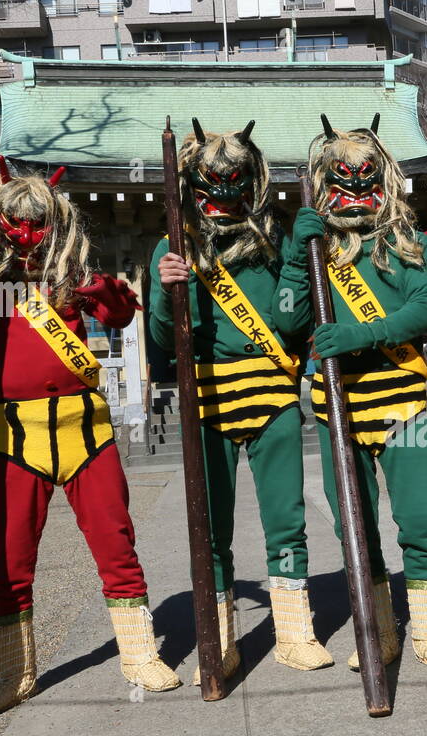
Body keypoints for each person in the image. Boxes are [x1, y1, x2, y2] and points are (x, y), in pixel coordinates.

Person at [0, 108, 179, 715]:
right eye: (16, 221)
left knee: (116, 542)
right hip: (12, 436)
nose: (26, 232)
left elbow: (122, 315)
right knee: (6, 555)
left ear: (55, 224)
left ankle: (138, 652)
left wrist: (102, 291)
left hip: (86, 429)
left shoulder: (70, 276)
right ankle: (12, 672)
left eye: (38, 222)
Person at [150, 119, 332, 677]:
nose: (222, 197)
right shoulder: (172, 244)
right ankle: (219, 632)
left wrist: (300, 255)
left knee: (286, 520)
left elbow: (292, 314)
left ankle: (296, 630)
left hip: (272, 395)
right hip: (207, 397)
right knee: (210, 524)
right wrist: (166, 287)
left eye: (234, 183)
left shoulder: (273, 238)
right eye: (210, 185)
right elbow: (162, 340)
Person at [292, 114, 427, 673]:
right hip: (337, 408)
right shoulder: (313, 246)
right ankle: (378, 628)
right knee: (355, 523)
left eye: (365, 178)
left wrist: (362, 334)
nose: (354, 190)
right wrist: (300, 259)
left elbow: (424, 309)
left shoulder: (408, 241)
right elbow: (286, 315)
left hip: (405, 405)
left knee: (420, 520)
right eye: (341, 179)